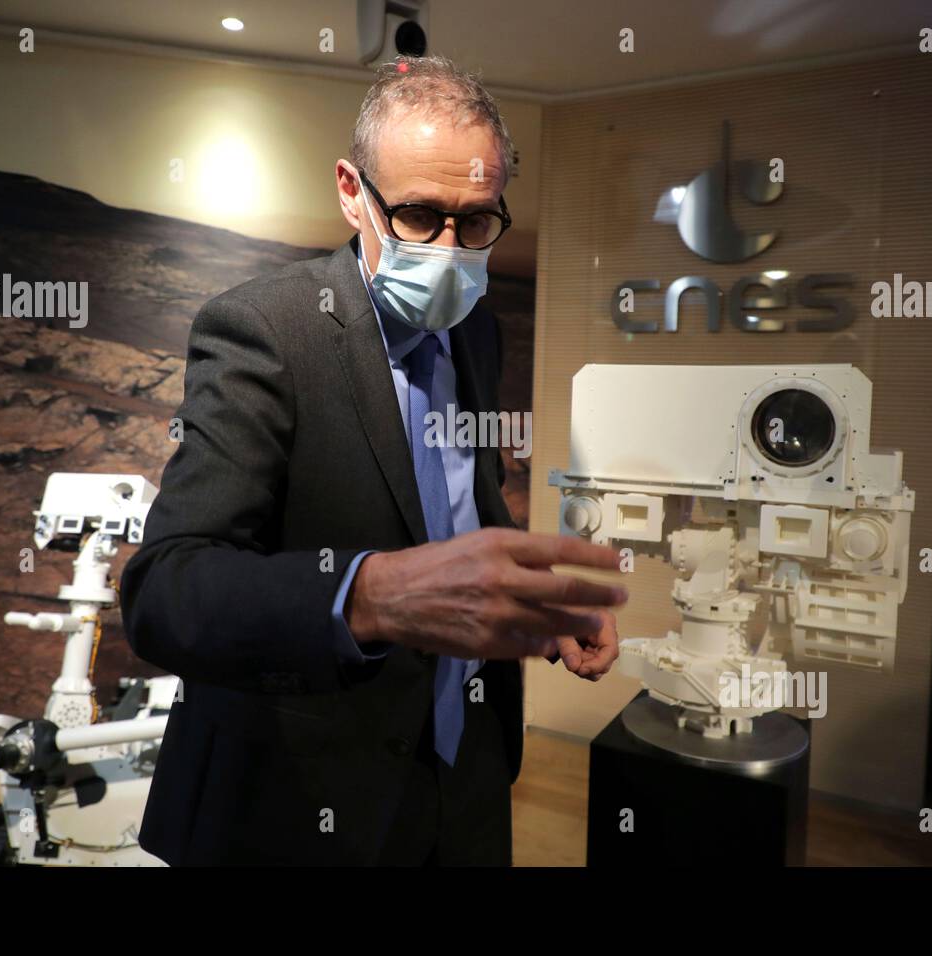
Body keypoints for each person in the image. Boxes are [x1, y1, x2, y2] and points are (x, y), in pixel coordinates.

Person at [119, 55, 627, 866]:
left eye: (478, 219)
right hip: (300, 801)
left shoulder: (476, 330)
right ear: (352, 191)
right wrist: (371, 595)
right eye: (421, 216)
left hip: (465, 778)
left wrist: (539, 607)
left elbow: (464, 501)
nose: (452, 251)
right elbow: (165, 591)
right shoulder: (264, 331)